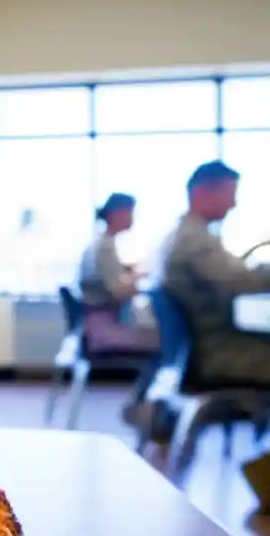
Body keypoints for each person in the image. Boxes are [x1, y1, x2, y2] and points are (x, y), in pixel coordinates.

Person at [158, 160, 270, 387]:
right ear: (202, 193)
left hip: (212, 344)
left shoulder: (191, 234)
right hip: (220, 353)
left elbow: (233, 273)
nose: (233, 204)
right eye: (229, 195)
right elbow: (240, 281)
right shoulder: (194, 240)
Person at [75, 193, 159, 415]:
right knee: (167, 343)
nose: (133, 219)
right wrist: (142, 281)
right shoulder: (104, 247)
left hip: (94, 322)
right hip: (102, 329)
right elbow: (117, 291)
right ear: (117, 214)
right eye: (130, 213)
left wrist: (130, 271)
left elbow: (111, 277)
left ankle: (143, 406)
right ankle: (144, 408)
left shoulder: (101, 244)